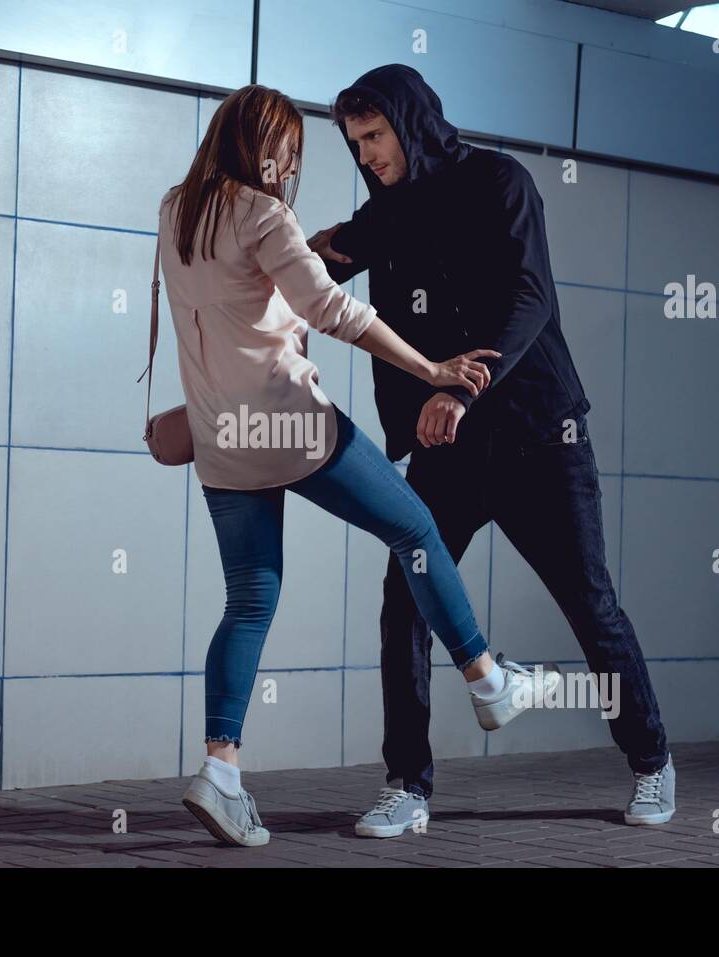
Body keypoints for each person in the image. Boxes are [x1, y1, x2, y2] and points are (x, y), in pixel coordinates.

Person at [158, 84, 561, 847]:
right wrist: (433, 367)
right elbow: (336, 311)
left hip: (221, 439)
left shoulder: (177, 209)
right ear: (271, 148)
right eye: (294, 152)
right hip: (288, 425)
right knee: (414, 525)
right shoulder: (264, 213)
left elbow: (233, 304)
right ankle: (487, 679)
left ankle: (221, 772)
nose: (294, 166)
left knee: (248, 599)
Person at [307, 64, 675, 833]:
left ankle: (651, 762)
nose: (367, 154)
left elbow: (531, 296)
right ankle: (407, 785)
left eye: (375, 136)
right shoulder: (385, 214)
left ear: (411, 122)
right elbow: (318, 261)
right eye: (355, 142)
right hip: (449, 450)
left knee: (591, 607)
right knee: (403, 599)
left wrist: (460, 389)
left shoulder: (499, 182)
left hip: (541, 433)